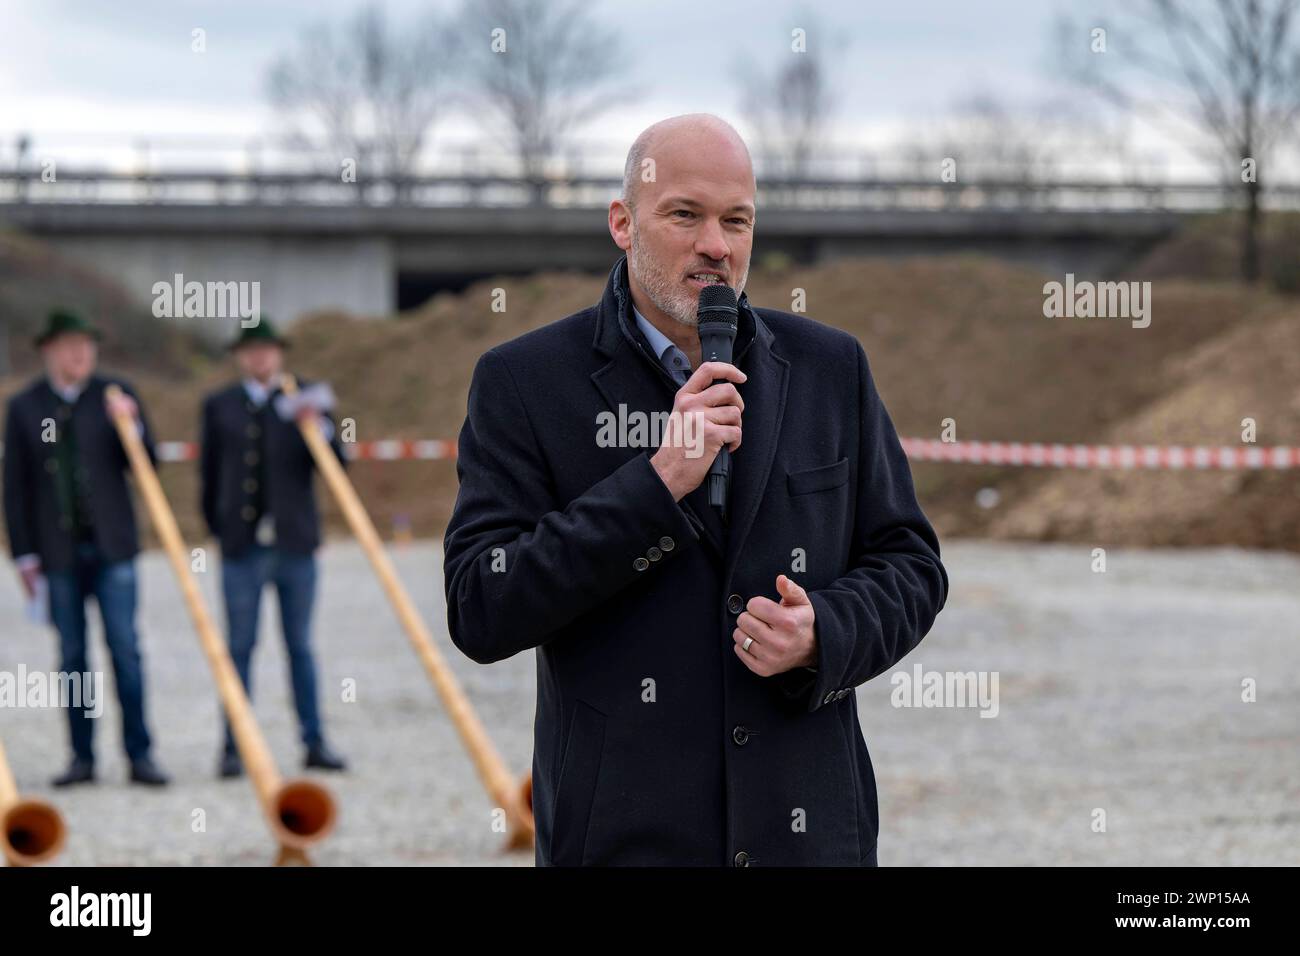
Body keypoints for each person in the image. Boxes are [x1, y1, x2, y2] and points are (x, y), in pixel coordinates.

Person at [444, 114, 949, 866]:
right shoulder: (524, 382)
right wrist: (655, 483)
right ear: (623, 222)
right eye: (685, 214)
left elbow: (911, 563)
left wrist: (825, 632)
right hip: (624, 839)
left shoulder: (829, 368)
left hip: (807, 834)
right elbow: (481, 607)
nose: (716, 243)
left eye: (736, 220)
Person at [3, 308, 169, 786]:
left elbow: (146, 465)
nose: (81, 355)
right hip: (58, 555)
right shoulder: (25, 407)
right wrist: (24, 555)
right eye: (71, 346)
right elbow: (14, 487)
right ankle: (82, 757)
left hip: (113, 548)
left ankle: (140, 753)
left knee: (126, 648)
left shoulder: (116, 396)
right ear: (49, 351)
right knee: (73, 656)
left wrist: (131, 427)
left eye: (87, 346)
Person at [199, 320, 347, 778]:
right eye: (251, 351)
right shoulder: (219, 405)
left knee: (300, 646)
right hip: (242, 547)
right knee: (239, 647)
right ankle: (235, 745)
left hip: (295, 544)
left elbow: (338, 464)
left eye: (267, 350)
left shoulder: (307, 396)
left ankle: (314, 741)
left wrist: (318, 428)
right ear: (240, 356)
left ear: (279, 354)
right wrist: (220, 530)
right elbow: (209, 476)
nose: (261, 358)